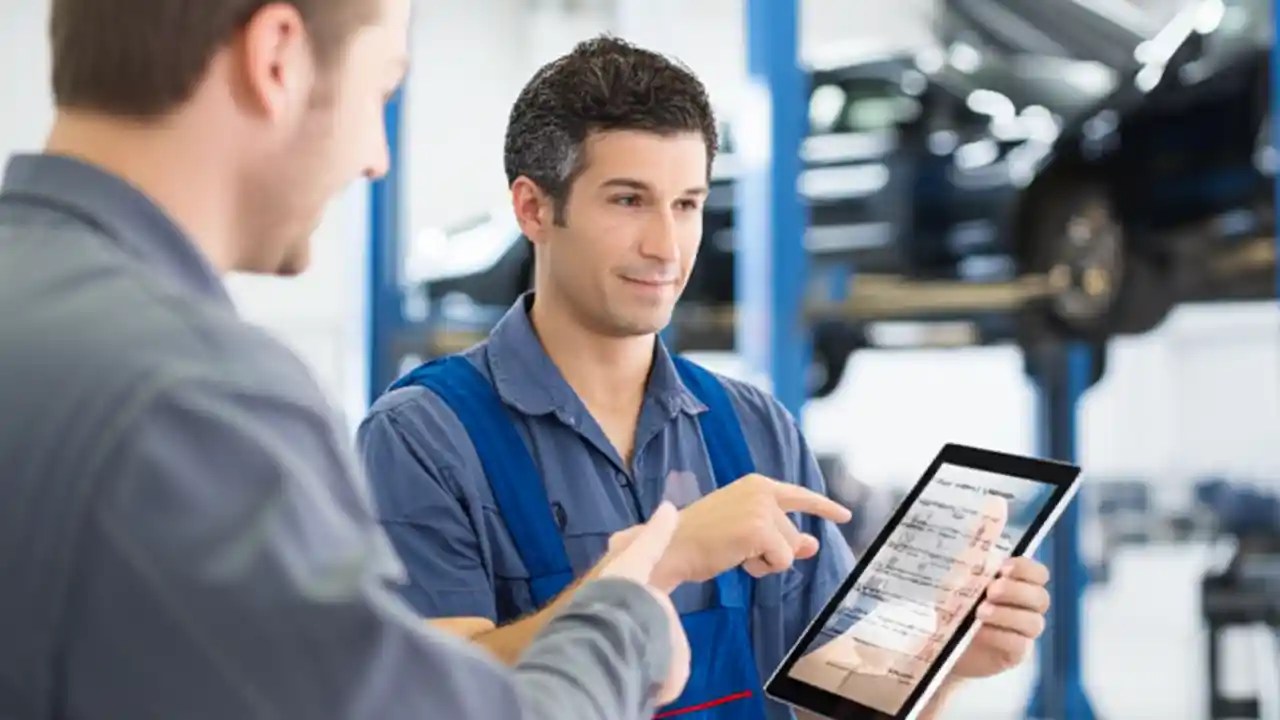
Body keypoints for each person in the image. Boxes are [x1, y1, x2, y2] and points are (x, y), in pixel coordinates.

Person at [0, 2, 699, 719]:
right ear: (276, 58)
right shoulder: (193, 400)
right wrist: (623, 623)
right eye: (380, 91)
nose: (375, 155)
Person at [358, 36, 1053, 720]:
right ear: (534, 208)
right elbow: (424, 696)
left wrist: (942, 664)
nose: (665, 246)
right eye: (628, 201)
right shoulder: (423, 437)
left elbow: (831, 702)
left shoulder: (753, 430)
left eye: (686, 204)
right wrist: (663, 562)